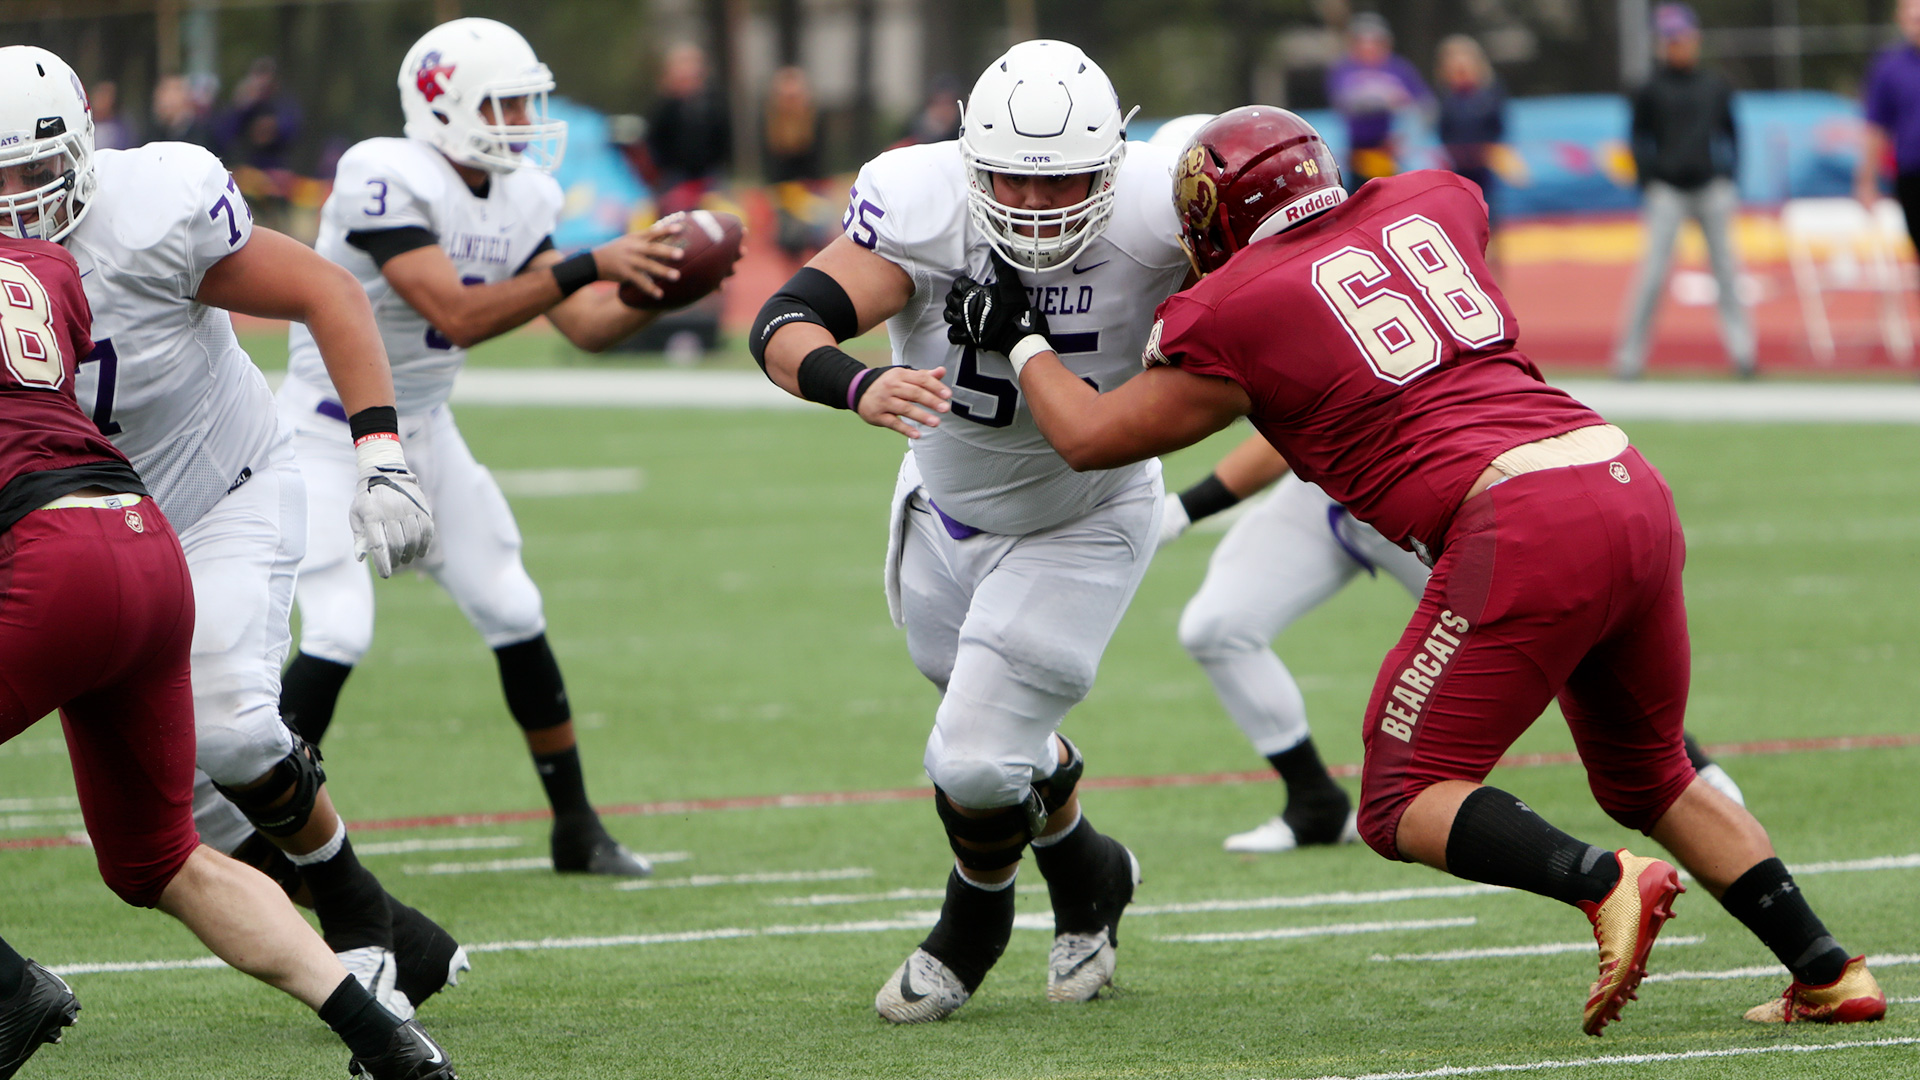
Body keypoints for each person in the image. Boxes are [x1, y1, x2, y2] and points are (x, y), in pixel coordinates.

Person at [946, 105, 1887, 1032]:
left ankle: (1605, 885)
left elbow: (1088, 435)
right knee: (1652, 773)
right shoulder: (1433, 200)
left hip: (1513, 519)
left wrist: (1021, 337)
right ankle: (1828, 971)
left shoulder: (1233, 307)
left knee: (1400, 800)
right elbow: (1410, 249)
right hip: (1619, 474)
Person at [0, 44, 462, 1022]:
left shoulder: (156, 205)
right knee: (185, 807)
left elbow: (326, 292)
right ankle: (380, 923)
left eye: (33, 172)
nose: (16, 201)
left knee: (236, 726)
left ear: (83, 149)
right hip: (72, 528)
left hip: (219, 493)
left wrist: (380, 451)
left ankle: (356, 915)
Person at [750, 39, 1188, 1023]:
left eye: (1063, 182)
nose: (1035, 209)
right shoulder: (924, 202)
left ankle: (972, 922)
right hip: (944, 508)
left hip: (1083, 518)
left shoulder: (1165, 210)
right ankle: (1089, 870)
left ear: (1114, 162)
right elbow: (785, 322)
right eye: (1010, 184)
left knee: (976, 760)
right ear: (968, 160)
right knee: (995, 732)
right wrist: (856, 382)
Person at [276, 18, 709, 879]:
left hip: (428, 430)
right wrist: (595, 262)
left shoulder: (523, 196)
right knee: (339, 628)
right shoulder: (383, 174)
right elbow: (458, 312)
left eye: (524, 99)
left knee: (513, 607)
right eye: (504, 102)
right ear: (443, 107)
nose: (522, 117)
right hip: (330, 433)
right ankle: (253, 832)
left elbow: (584, 326)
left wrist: (662, 289)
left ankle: (576, 826)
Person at [1160, 434, 1744, 853]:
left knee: (1554, 639)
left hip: (1426, 497)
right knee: (1216, 626)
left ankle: (1692, 774)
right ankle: (1314, 801)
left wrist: (1185, 508)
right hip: (1327, 498)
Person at [1615, 3, 1754, 380]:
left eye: (1682, 37)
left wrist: (1729, 176)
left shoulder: (1714, 84)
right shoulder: (1650, 88)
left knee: (1727, 271)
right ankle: (1628, 359)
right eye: (1670, 38)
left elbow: (1732, 132)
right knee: (1653, 275)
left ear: (1695, 39)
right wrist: (1647, 180)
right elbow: (1637, 137)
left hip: (1710, 187)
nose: (1677, 45)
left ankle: (1744, 355)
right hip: (1667, 190)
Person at [1326, 12, 1431, 190]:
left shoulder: (1399, 68)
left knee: (1395, 193)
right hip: (1358, 149)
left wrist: (1408, 137)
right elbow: (1345, 101)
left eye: (1375, 41)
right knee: (1360, 194)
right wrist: (1386, 97)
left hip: (1391, 148)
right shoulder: (1344, 69)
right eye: (1362, 42)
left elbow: (1425, 105)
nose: (1369, 47)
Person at [1858, 0, 1920, 253]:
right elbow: (1876, 128)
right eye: (1911, 14)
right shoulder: (1888, 67)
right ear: (1900, 18)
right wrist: (1866, 181)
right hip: (1911, 173)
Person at [645, 43, 731, 214]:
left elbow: (723, 138)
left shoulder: (712, 103)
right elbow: (655, 142)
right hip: (674, 175)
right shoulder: (664, 106)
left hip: (708, 173)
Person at [1435, 36, 1504, 227]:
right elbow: (1443, 128)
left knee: (1488, 205)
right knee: (1459, 207)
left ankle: (1492, 249)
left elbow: (1497, 124)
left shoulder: (1489, 92)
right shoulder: (1446, 95)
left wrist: (1487, 149)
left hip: (1483, 160)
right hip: (1457, 161)